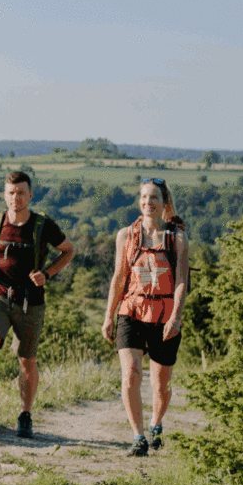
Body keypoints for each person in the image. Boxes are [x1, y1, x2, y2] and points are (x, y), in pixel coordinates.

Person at [0, 171, 75, 438]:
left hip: (31, 302)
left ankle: (25, 415)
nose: (16, 198)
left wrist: (48, 273)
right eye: (11, 192)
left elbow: (69, 250)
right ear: (5, 195)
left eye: (21, 193)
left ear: (30, 195)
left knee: (27, 360)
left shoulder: (43, 225)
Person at [102, 177, 188, 458]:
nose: (147, 202)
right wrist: (108, 316)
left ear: (164, 203)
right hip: (132, 311)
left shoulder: (177, 237)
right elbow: (119, 277)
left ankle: (155, 423)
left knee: (160, 385)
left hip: (165, 315)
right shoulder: (126, 235)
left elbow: (181, 281)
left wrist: (175, 317)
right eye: (143, 197)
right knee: (131, 375)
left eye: (154, 198)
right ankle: (138, 437)